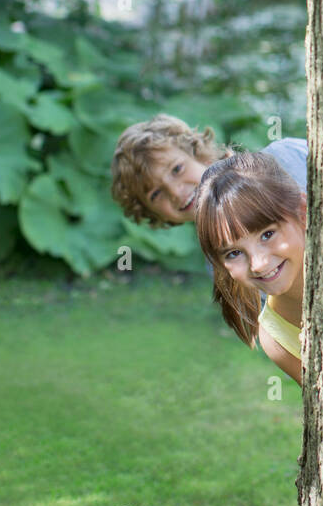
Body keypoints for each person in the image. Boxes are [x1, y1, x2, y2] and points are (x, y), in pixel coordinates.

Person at [193, 150, 306, 387]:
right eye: (233, 253)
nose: (259, 264)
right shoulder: (277, 339)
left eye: (267, 234)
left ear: (303, 213)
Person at [109, 113, 307, 228]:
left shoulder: (286, 158)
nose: (176, 193)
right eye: (156, 194)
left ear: (200, 154)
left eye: (177, 169)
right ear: (152, 213)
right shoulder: (221, 262)